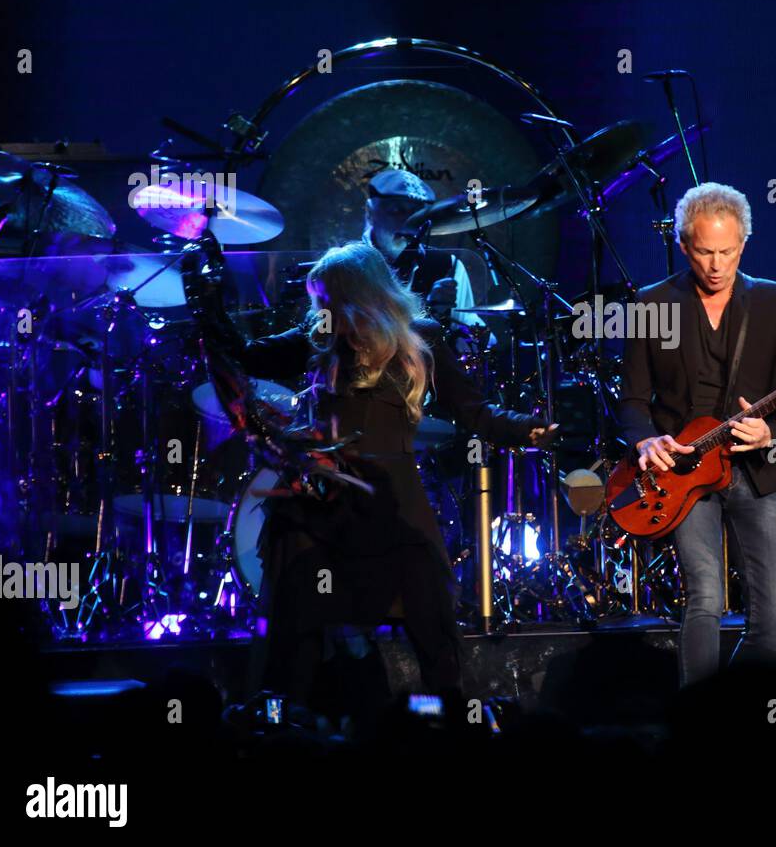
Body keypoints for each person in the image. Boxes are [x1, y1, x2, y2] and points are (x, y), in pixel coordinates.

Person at [193, 239, 555, 716]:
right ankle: (292, 723)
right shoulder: (318, 340)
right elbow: (243, 354)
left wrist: (525, 427)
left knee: (428, 619)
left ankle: (448, 726)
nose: (319, 309)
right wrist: (208, 294)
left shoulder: (419, 338)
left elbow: (473, 409)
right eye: (317, 300)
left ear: (356, 294)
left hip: (392, 499)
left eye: (326, 298)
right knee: (302, 619)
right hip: (322, 501)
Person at [618, 182, 776, 686]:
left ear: (743, 244)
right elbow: (632, 401)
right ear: (683, 245)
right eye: (703, 252)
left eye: (727, 251)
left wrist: (769, 430)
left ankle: (728, 714)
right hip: (684, 473)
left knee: (774, 619)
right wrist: (645, 442)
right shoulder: (651, 303)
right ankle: (694, 728)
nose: (716, 264)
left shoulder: (775, 301)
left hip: (754, 471)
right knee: (705, 598)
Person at [363, 167, 489, 349]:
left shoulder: (448, 266)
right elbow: (325, 329)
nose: (408, 222)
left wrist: (474, 335)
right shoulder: (345, 266)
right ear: (370, 211)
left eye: (416, 213)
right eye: (397, 210)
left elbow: (471, 335)